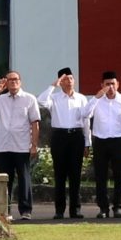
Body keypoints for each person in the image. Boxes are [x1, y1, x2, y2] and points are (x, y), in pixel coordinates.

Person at [38, 67, 90, 220]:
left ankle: (76, 210)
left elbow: (86, 121)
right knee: (59, 175)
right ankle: (59, 210)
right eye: (65, 79)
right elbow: (40, 101)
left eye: (71, 79)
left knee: (75, 175)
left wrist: (88, 142)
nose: (69, 82)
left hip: (76, 136)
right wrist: (53, 86)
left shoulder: (81, 98)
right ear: (61, 82)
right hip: (59, 137)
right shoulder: (54, 98)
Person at [0, 70, 41, 222]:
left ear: (20, 81)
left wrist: (34, 145)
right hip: (3, 145)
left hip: (21, 145)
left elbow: (35, 123)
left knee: (24, 178)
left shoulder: (29, 99)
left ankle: (26, 210)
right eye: (10, 80)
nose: (13, 82)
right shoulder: (0, 100)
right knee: (5, 180)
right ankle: (6, 211)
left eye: (15, 79)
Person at [87, 71, 121, 219]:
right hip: (100, 141)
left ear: (118, 84)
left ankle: (118, 207)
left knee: (120, 176)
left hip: (119, 141)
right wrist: (96, 97)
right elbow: (85, 114)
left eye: (113, 84)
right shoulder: (96, 101)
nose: (110, 87)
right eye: (107, 84)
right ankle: (103, 208)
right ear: (102, 85)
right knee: (100, 177)